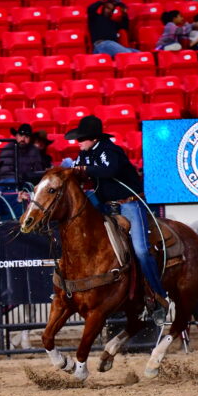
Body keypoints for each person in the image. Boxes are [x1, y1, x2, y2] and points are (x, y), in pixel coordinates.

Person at [68, 115, 168, 319]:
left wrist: (86, 170)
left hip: (129, 203)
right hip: (105, 205)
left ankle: (159, 295)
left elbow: (111, 169)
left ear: (94, 138)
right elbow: (73, 172)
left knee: (141, 250)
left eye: (82, 138)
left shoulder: (110, 150)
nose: (78, 142)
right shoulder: (84, 154)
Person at [0, 123, 43, 217]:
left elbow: (38, 170)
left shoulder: (34, 150)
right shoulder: (9, 148)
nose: (23, 138)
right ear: (16, 136)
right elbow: (6, 172)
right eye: (21, 135)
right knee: (12, 182)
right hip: (9, 183)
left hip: (27, 182)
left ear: (30, 139)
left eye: (26, 136)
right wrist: (21, 180)